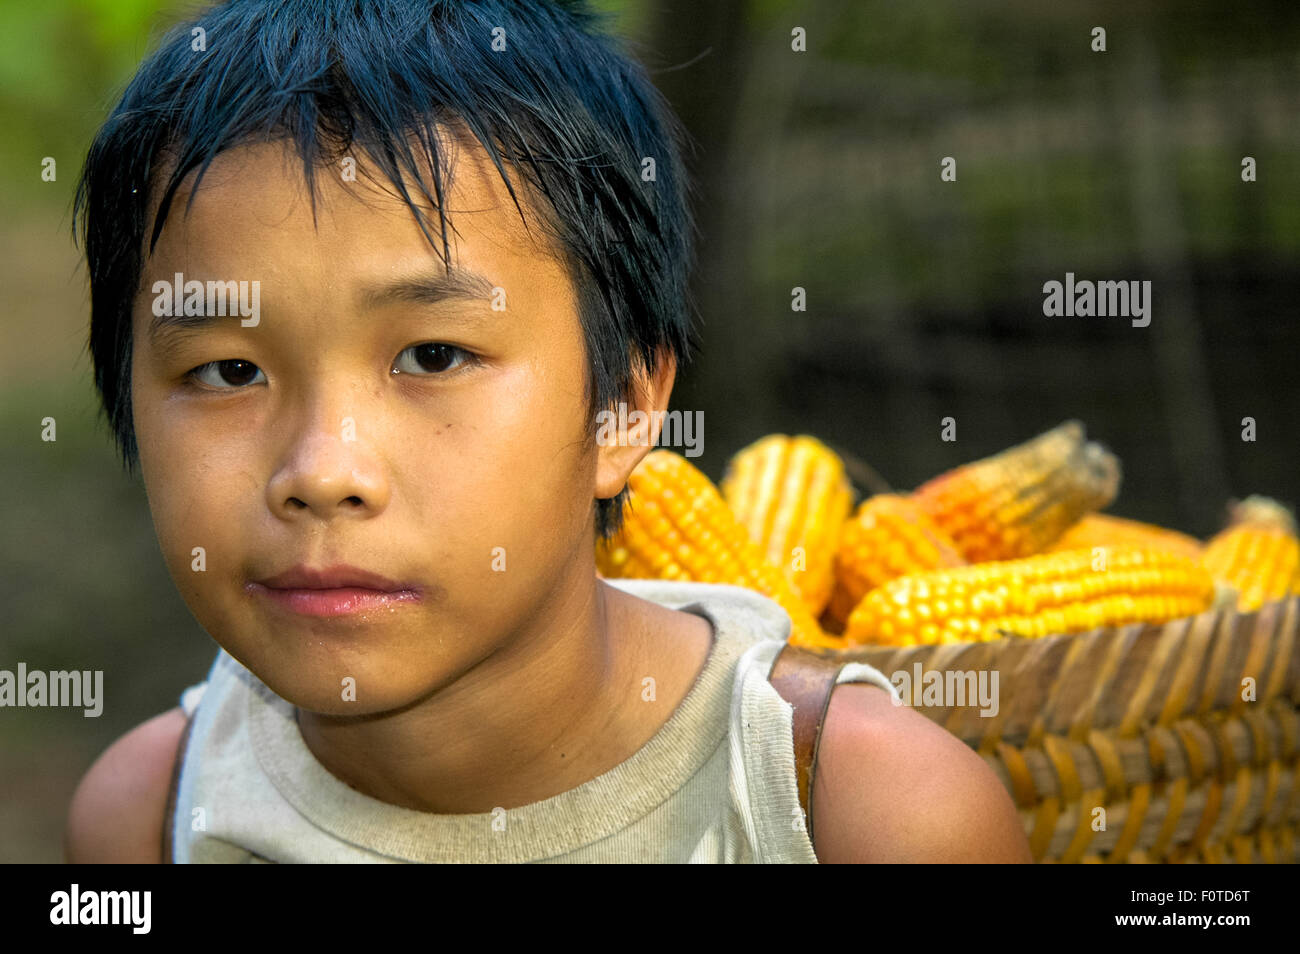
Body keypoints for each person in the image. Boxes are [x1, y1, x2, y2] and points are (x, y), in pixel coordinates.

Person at [63, 0, 1032, 863]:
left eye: (434, 356)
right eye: (229, 371)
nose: (323, 470)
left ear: (624, 405)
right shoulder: (150, 818)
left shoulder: (855, 811)